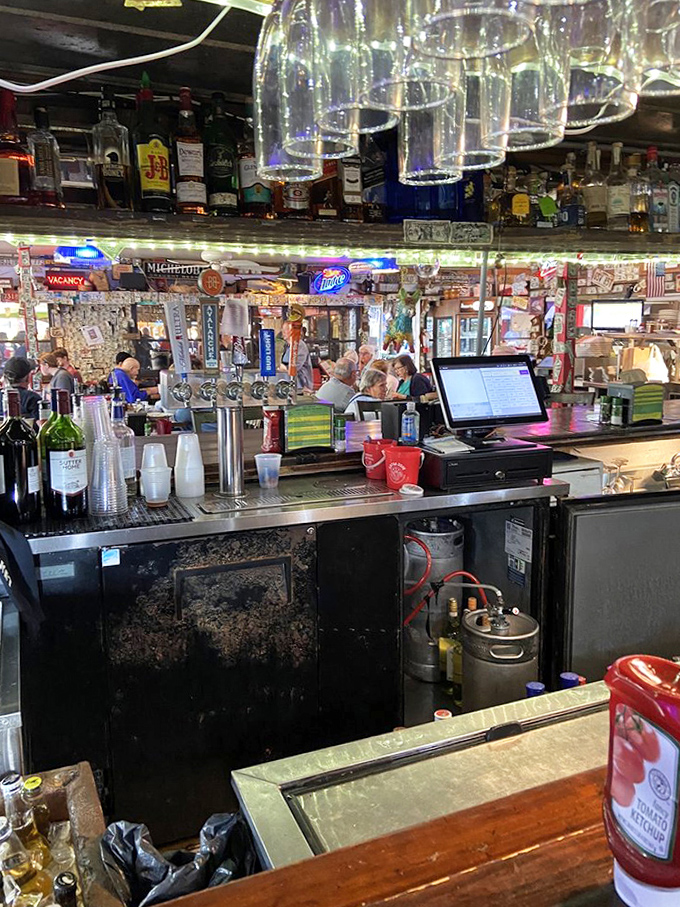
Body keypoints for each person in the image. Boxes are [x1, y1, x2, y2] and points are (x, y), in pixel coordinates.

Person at [281, 322, 313, 391]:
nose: (283, 332)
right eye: (282, 329)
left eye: (286, 329)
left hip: (300, 386)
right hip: (289, 384)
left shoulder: (299, 345)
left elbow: (294, 367)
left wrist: (282, 367)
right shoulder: (287, 346)